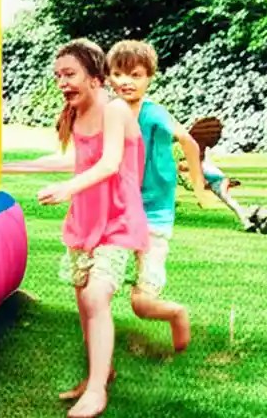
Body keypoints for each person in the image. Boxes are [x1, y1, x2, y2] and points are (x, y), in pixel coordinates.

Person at [37, 38, 150, 418]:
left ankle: (97, 391)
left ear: (95, 77)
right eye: (58, 76)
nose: (62, 82)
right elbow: (74, 159)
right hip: (85, 220)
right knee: (84, 302)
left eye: (70, 74)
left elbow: (110, 163)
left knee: (97, 296)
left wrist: (67, 189)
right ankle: (98, 373)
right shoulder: (73, 113)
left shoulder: (116, 110)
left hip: (118, 219)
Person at [104, 40, 197, 355]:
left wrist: (198, 183)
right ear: (108, 76)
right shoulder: (109, 112)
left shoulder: (155, 113)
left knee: (142, 305)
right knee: (98, 281)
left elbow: (188, 140)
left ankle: (176, 316)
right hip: (119, 211)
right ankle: (98, 339)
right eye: (118, 73)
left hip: (153, 214)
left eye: (136, 75)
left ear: (149, 78)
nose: (126, 81)